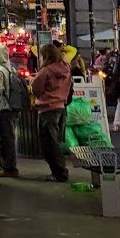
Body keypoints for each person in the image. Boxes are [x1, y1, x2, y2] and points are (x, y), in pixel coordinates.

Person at [32, 43, 72, 182]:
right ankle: (60, 172)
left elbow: (36, 89)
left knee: (49, 144)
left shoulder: (46, 71)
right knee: (55, 142)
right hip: (61, 108)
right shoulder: (66, 68)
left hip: (47, 109)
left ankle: (59, 174)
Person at [0, 43, 23, 178]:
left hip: (4, 108)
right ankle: (8, 166)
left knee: (5, 138)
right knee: (10, 137)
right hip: (12, 108)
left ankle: (8, 168)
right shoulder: (10, 67)